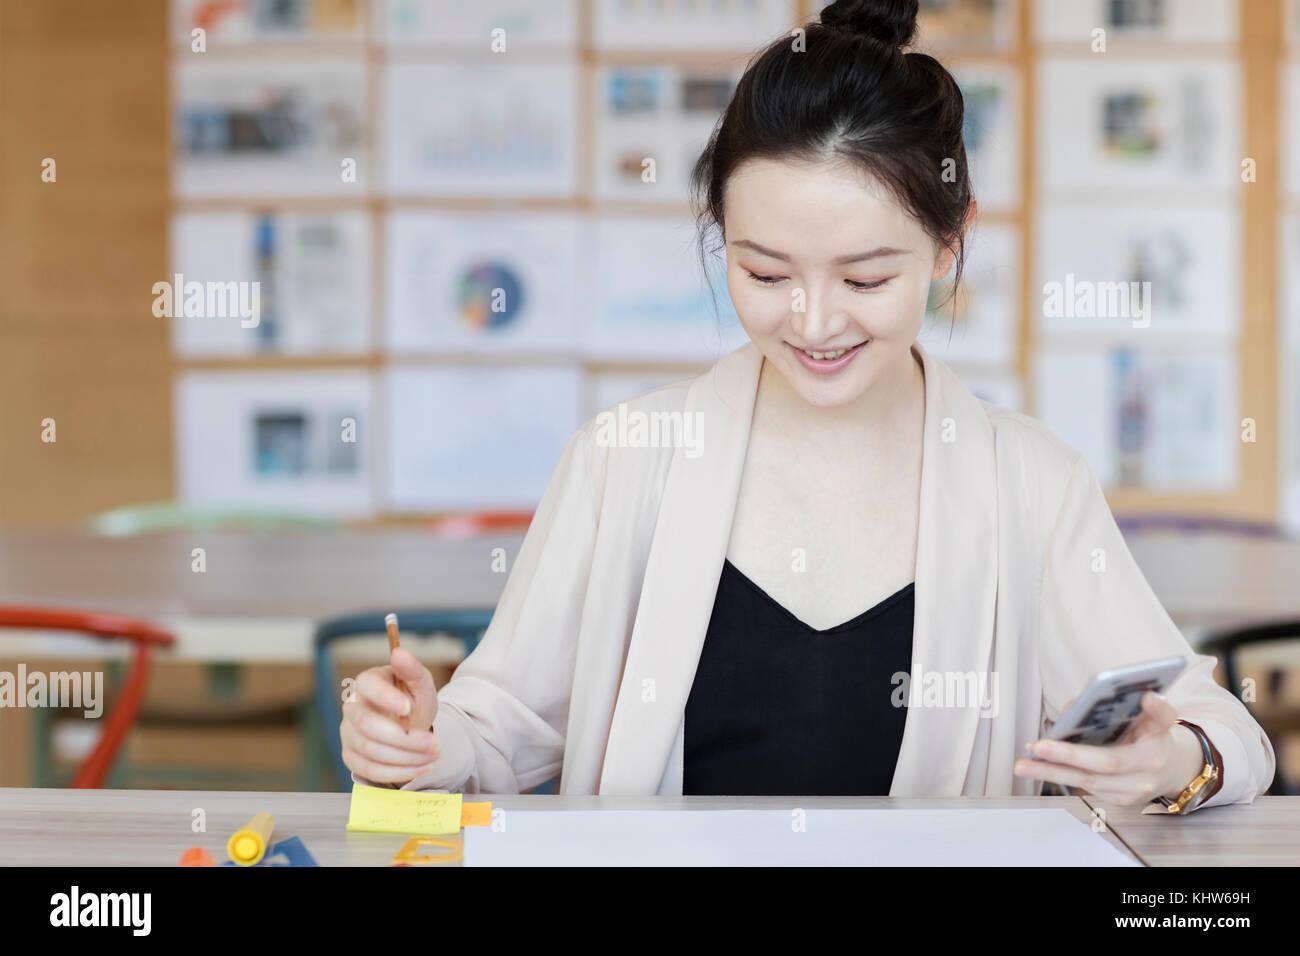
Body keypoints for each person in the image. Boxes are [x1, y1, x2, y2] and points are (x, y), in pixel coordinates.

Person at [342, 0, 1274, 809]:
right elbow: (496, 736)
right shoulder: (626, 458)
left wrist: (1172, 762)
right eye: (764, 272)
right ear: (721, 238)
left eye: (866, 277)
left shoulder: (1029, 482)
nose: (814, 322)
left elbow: (1220, 730)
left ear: (951, 244)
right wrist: (421, 741)